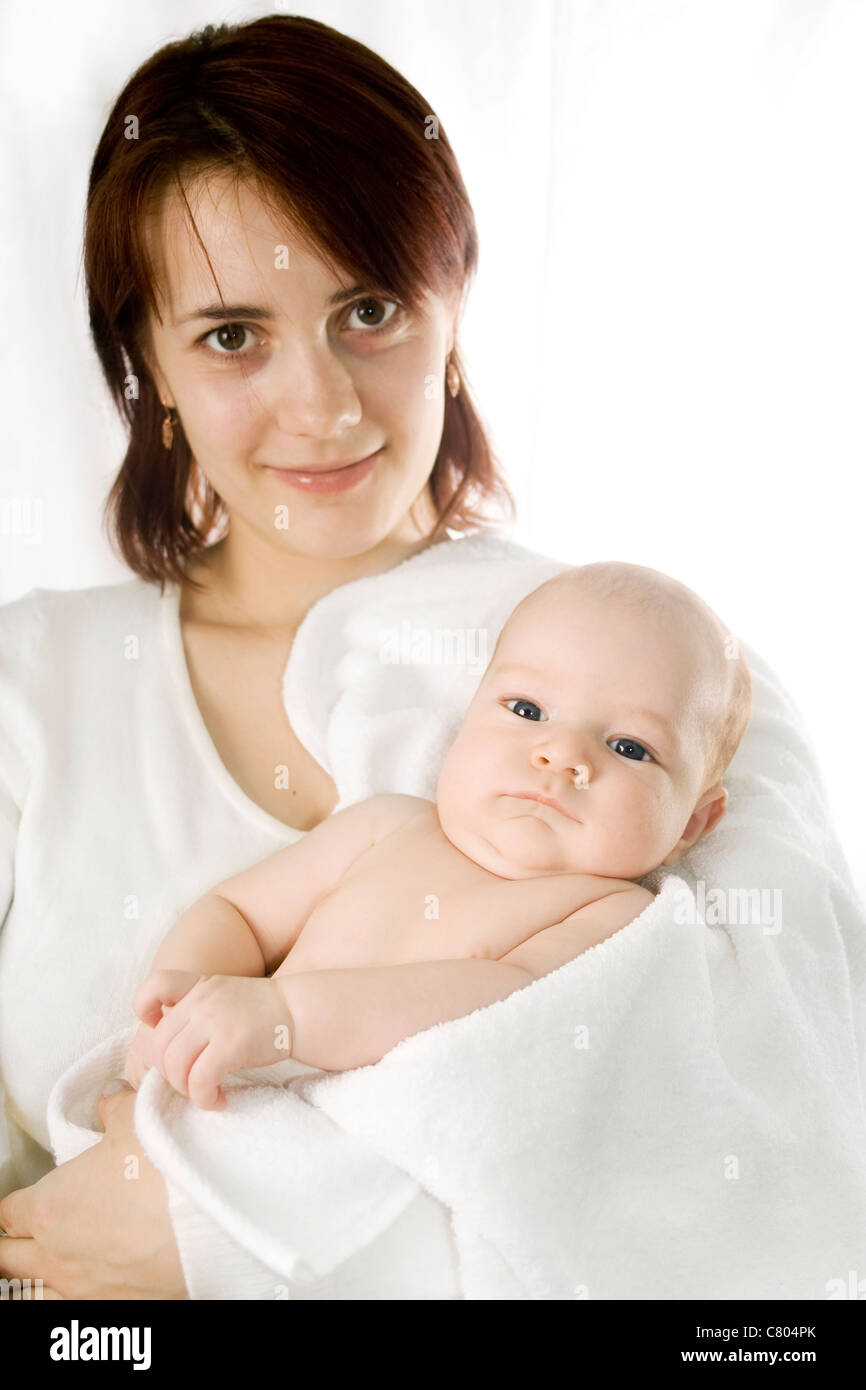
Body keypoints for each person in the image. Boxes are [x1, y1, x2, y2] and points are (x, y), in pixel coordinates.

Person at [0, 15, 824, 1300]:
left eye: (368, 307)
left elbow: (772, 1197)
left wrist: (235, 1251)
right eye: (229, 334)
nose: (323, 404)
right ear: (143, 366)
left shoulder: (675, 684)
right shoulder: (28, 693)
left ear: (450, 307)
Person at [123, 561, 752, 1110]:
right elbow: (238, 912)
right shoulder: (386, 825)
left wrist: (287, 1017)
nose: (561, 754)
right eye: (528, 711)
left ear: (691, 824)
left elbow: (507, 1004)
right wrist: (180, 1008)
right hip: (223, 1085)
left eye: (629, 747)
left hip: (352, 1152)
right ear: (465, 719)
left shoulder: (613, 913)